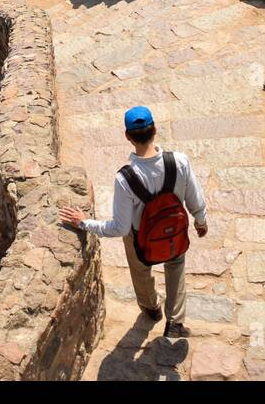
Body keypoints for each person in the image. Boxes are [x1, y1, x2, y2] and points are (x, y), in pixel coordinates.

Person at [58, 106, 207, 339]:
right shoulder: (179, 161)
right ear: (155, 130)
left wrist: (84, 222)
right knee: (175, 267)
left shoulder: (125, 178)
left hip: (141, 239)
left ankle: (151, 308)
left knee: (141, 271)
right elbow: (194, 197)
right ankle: (175, 322)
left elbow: (121, 227)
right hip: (174, 232)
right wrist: (200, 220)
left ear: (127, 137)